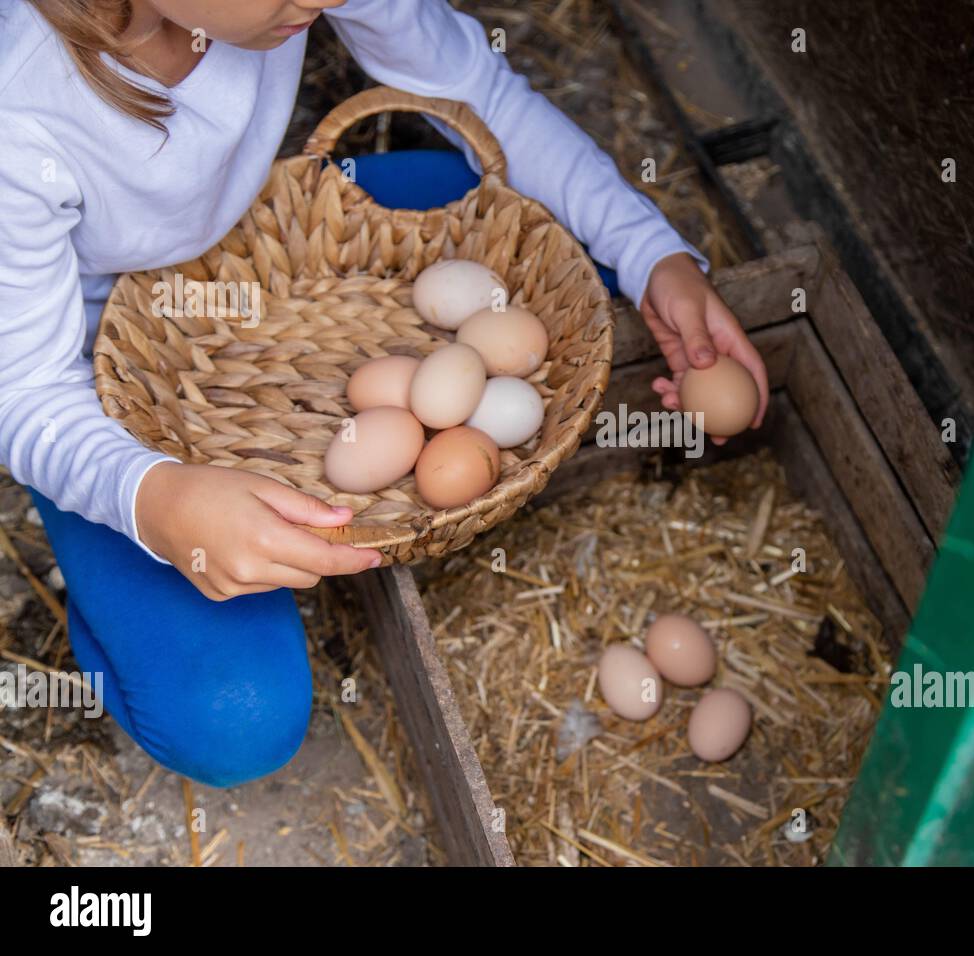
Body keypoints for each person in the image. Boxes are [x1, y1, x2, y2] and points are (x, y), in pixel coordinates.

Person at [0, 0, 769, 786]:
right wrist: (152, 502)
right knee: (234, 723)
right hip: (98, 369)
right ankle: (105, 606)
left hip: (270, 238)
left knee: (482, 194)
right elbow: (25, 389)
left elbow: (478, 95)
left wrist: (652, 255)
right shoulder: (19, 106)